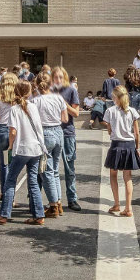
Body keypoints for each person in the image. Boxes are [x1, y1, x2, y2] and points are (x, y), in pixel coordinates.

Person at [0, 80, 46, 226]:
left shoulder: (14, 109)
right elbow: (39, 127)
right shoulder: (33, 107)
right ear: (29, 92)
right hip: (36, 149)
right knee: (33, 181)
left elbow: (13, 131)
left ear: (16, 92)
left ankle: (3, 215)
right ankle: (39, 215)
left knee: (10, 181)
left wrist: (10, 146)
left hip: (22, 149)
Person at [103, 83, 140, 216]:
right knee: (127, 177)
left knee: (113, 175)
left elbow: (109, 131)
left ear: (116, 97)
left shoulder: (110, 111)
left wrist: (113, 129)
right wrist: (138, 147)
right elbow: (137, 133)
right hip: (130, 145)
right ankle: (128, 208)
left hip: (116, 145)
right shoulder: (132, 111)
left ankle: (117, 204)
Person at [33, 73, 67, 217]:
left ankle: (53, 205)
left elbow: (34, 122)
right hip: (59, 132)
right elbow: (64, 118)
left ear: (37, 85)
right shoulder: (59, 98)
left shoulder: (35, 101)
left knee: (45, 171)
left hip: (45, 133)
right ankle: (58, 203)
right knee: (55, 170)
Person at [54, 65, 83, 212]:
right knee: (51, 169)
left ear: (65, 77)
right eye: (55, 77)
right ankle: (54, 200)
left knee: (69, 168)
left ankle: (72, 199)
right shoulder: (49, 91)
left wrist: (63, 104)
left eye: (60, 77)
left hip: (67, 134)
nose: (58, 79)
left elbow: (76, 113)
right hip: (52, 133)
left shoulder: (71, 91)